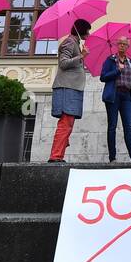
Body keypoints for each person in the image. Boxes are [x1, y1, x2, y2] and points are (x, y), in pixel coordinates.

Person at [49, 18, 91, 163]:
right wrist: (82, 56)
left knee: (68, 123)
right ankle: (55, 156)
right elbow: (63, 63)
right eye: (88, 30)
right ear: (81, 30)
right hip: (67, 88)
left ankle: (58, 155)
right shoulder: (69, 42)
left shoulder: (75, 43)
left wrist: (80, 54)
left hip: (72, 88)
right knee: (65, 123)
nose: (89, 34)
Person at [100, 36, 131, 163]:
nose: (122, 45)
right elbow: (103, 77)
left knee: (128, 127)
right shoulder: (111, 60)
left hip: (127, 96)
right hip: (114, 95)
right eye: (120, 43)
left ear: (128, 47)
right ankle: (112, 158)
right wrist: (117, 71)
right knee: (112, 126)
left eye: (125, 44)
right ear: (117, 45)